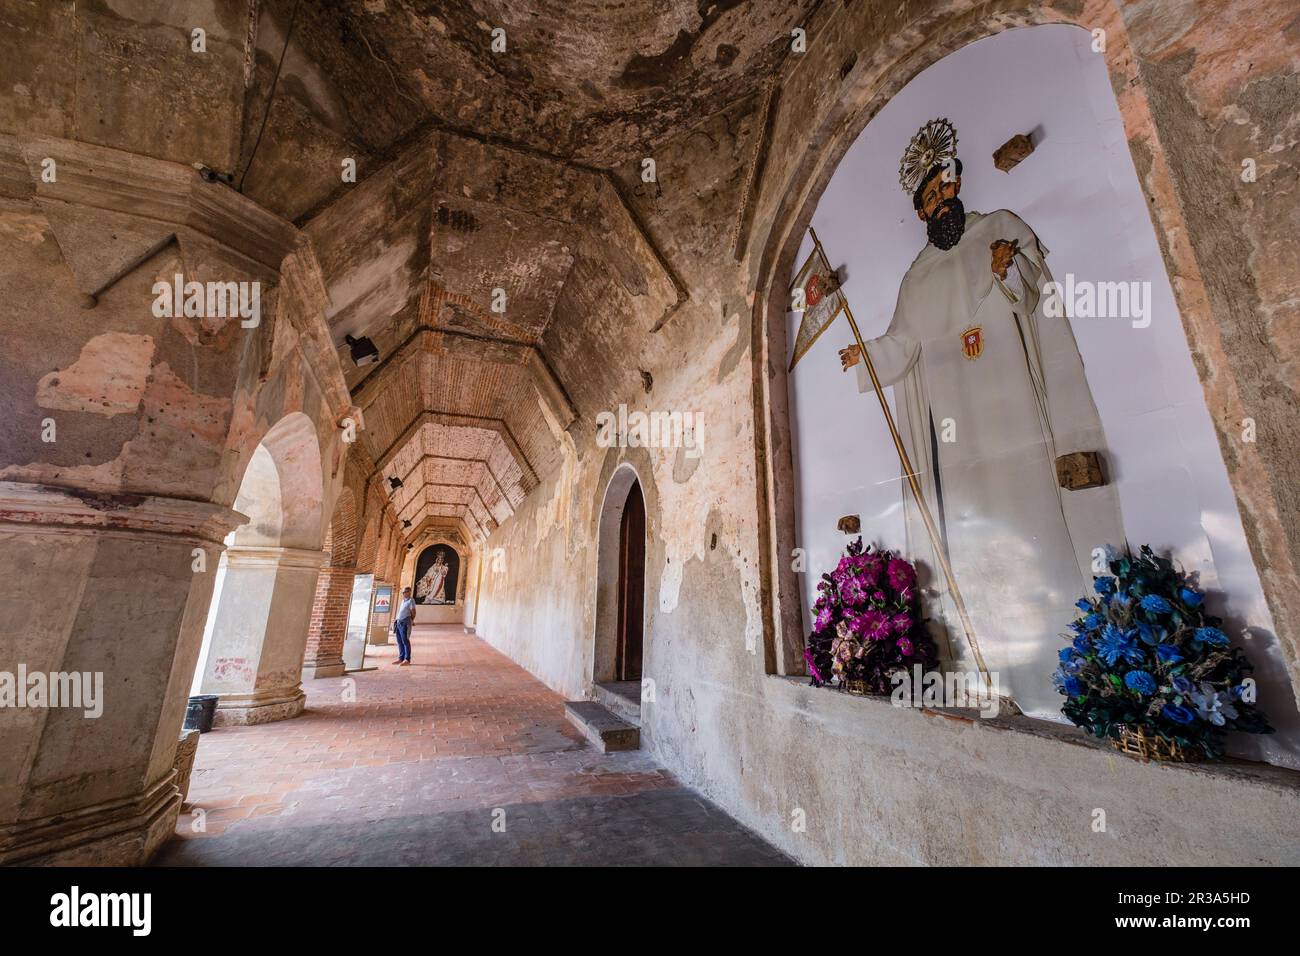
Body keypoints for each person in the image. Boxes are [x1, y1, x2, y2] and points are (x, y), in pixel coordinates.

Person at [836, 118, 1124, 716]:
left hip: (1015, 411)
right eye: (927, 199)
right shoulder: (917, 278)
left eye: (942, 188)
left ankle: (1071, 677)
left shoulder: (998, 229)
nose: (938, 202)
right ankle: (990, 670)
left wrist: (1004, 269)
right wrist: (865, 356)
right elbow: (903, 345)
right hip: (956, 443)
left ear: (958, 180)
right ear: (919, 212)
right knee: (974, 545)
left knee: (1036, 521)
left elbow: (1031, 288)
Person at [392, 587, 415, 666]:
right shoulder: (403, 601)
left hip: (405, 622)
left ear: (409, 592)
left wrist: (411, 620)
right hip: (399, 622)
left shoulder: (411, 600)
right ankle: (401, 658)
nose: (404, 593)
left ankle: (407, 659)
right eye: (403, 592)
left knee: (405, 640)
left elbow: (413, 611)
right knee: (399, 641)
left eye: (405, 592)